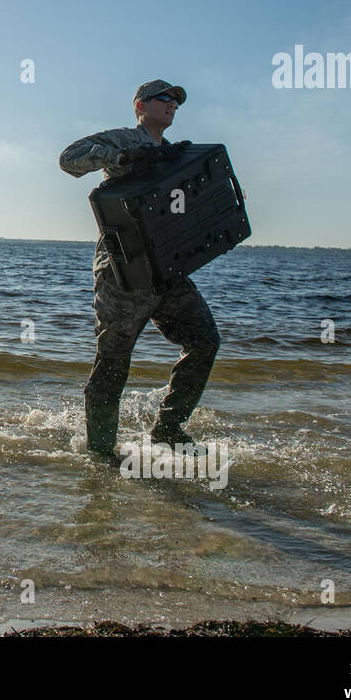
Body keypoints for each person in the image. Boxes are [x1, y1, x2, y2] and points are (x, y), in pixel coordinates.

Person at [59, 79, 221, 454]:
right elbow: (68, 159)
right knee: (113, 362)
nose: (172, 105)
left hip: (166, 272)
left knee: (204, 341)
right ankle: (100, 453)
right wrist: (118, 159)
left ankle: (167, 429)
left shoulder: (176, 155)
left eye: (176, 102)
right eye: (164, 99)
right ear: (140, 106)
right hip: (122, 272)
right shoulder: (123, 139)